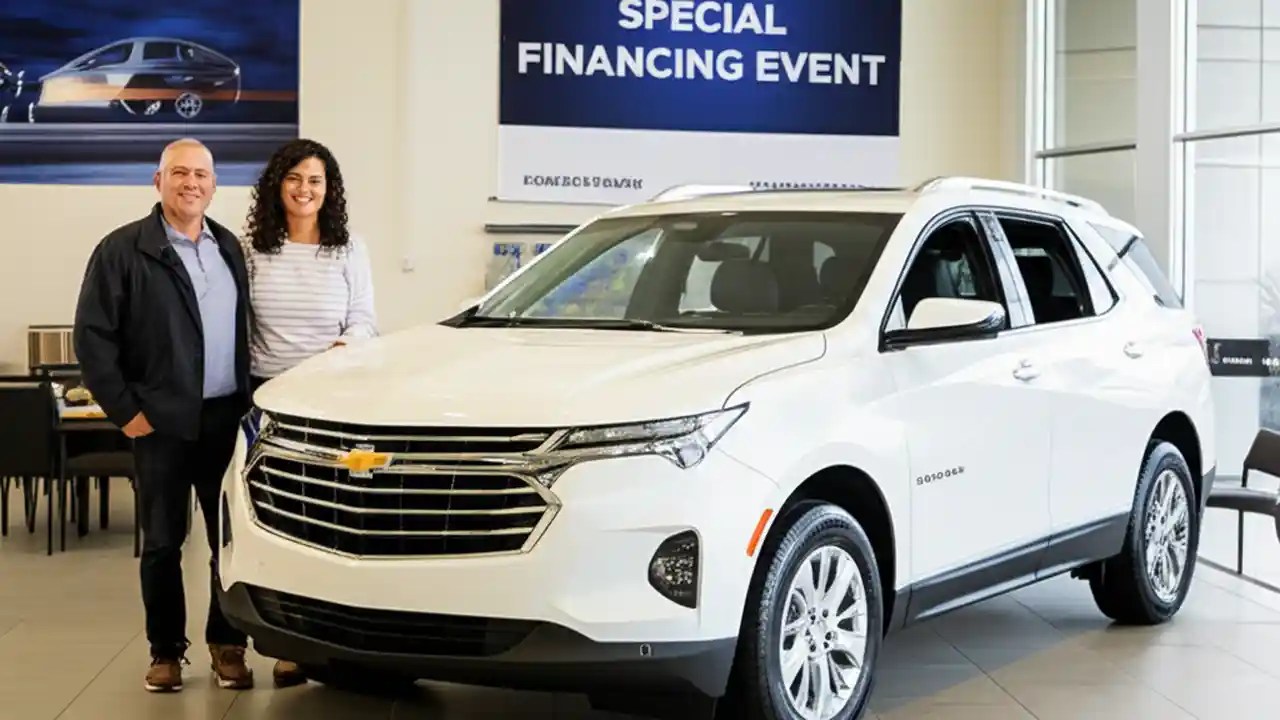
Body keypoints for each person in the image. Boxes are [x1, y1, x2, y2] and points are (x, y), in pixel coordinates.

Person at [73, 138, 256, 693]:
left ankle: (228, 645)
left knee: (229, 541)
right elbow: (93, 339)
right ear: (158, 181)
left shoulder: (229, 248)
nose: (191, 183)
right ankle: (165, 651)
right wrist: (126, 413)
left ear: (214, 185)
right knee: (162, 543)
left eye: (201, 174)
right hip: (161, 424)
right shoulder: (123, 249)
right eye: (179, 172)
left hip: (226, 419)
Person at [240, 137, 377, 687]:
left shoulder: (348, 249)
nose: (304, 189)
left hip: (332, 404)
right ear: (278, 185)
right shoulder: (252, 249)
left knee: (330, 526)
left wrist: (344, 350)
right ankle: (283, 641)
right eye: (294, 178)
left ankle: (324, 640)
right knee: (278, 527)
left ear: (330, 190)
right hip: (266, 407)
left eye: (315, 180)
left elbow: (365, 320)